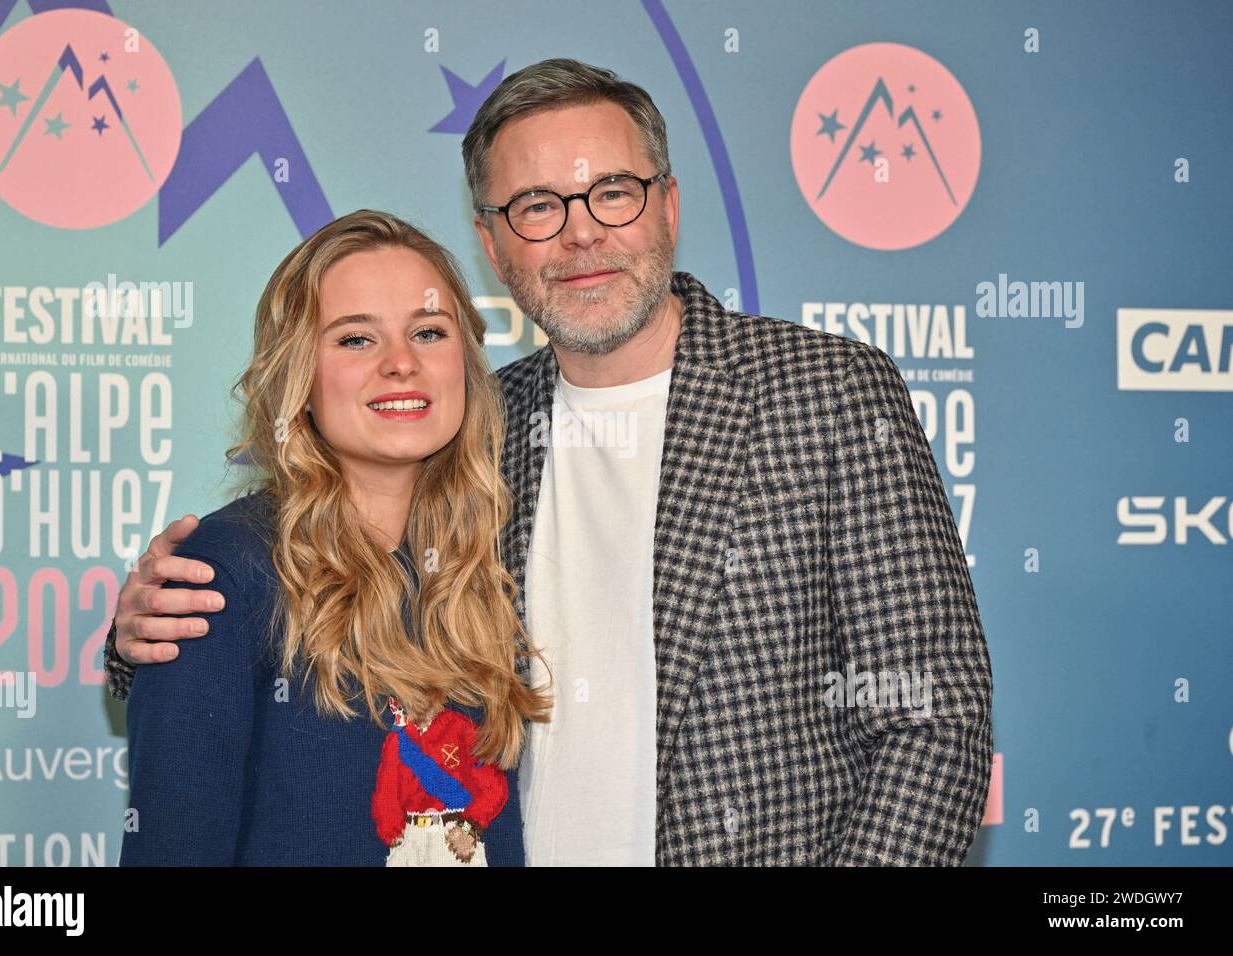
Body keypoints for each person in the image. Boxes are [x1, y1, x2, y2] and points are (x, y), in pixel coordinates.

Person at [107, 59, 994, 866]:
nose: (580, 235)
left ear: (669, 206)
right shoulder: (476, 431)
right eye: (537, 206)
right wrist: (142, 643)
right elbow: (320, 595)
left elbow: (931, 719)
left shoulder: (824, 394)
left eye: (614, 192)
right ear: (493, 244)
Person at [119, 209, 551, 866]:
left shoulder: (488, 560)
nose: (402, 364)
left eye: (429, 332)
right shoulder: (222, 573)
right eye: (356, 340)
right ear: (299, 376)